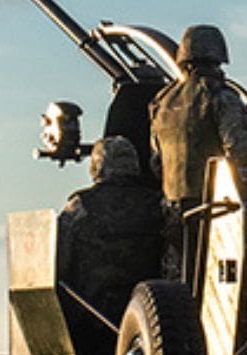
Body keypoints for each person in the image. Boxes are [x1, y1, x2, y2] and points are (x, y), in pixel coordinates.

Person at [149, 24, 247, 210]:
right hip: (213, 211)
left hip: (172, 210)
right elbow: (241, 154)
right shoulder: (221, 97)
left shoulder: (161, 103)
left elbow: (156, 163)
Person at [56, 137, 165, 331]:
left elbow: (59, 263)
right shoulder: (157, 205)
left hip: (90, 316)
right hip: (149, 316)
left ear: (97, 167)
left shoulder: (80, 206)